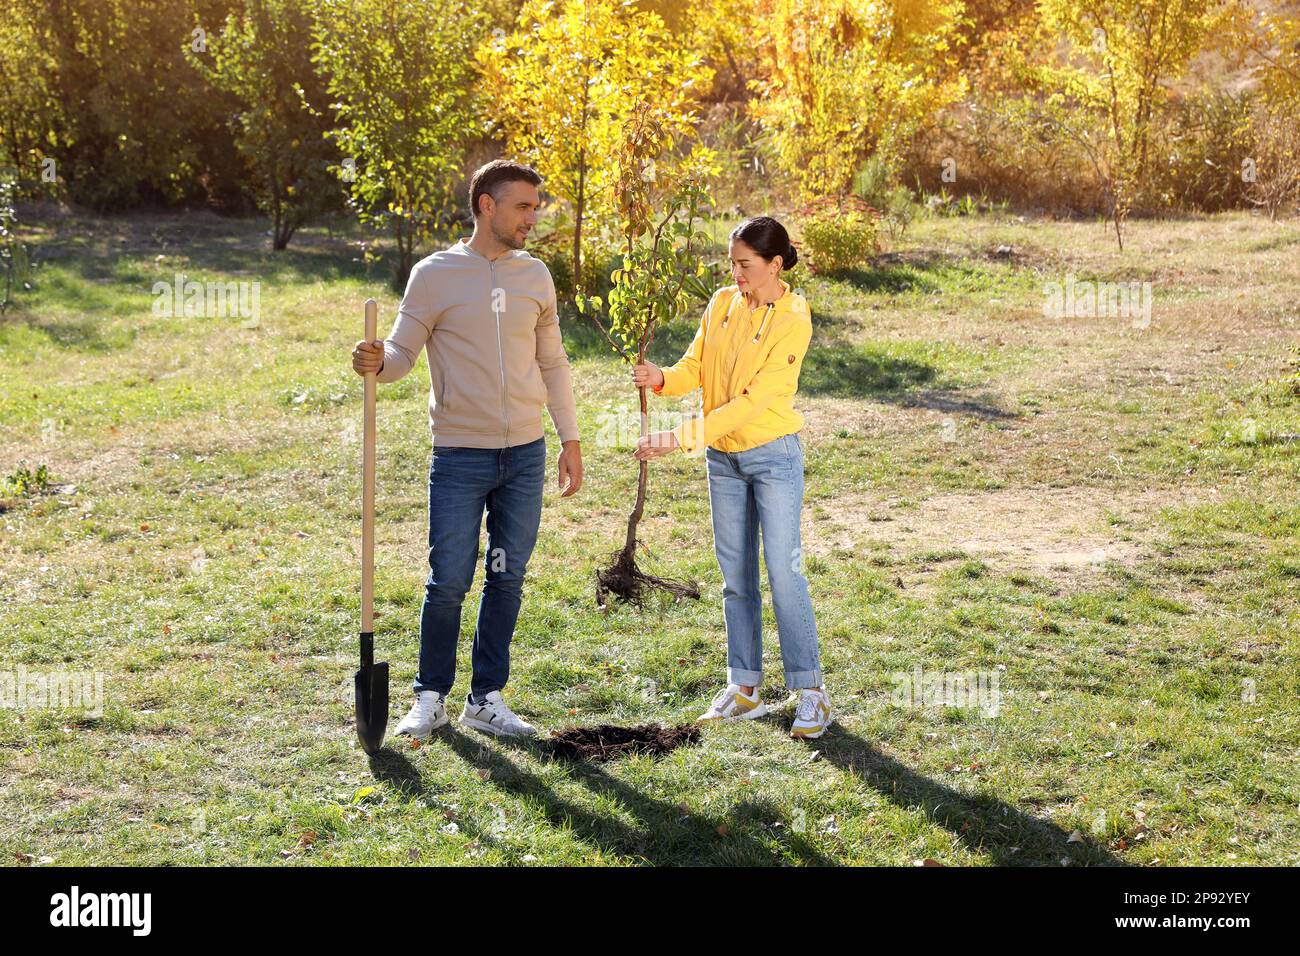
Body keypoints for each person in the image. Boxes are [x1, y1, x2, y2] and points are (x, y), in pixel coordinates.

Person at [350, 160, 584, 739]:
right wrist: (379, 363)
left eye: (536, 205)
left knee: (506, 576)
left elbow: (552, 362)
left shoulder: (535, 276)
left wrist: (570, 439)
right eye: (523, 206)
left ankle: (486, 698)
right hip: (460, 455)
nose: (533, 216)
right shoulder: (434, 275)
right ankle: (429, 697)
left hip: (525, 455)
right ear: (487, 205)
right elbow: (403, 354)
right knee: (449, 579)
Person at [632, 216, 831, 739]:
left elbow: (755, 401)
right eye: (733, 264)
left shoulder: (794, 316)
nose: (736, 274)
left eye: (745, 265)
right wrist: (662, 380)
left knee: (785, 574)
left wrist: (679, 437)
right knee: (736, 575)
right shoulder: (722, 303)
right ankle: (744, 688)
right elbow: (696, 366)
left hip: (772, 457)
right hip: (723, 460)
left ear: (775, 264)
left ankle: (811, 692)